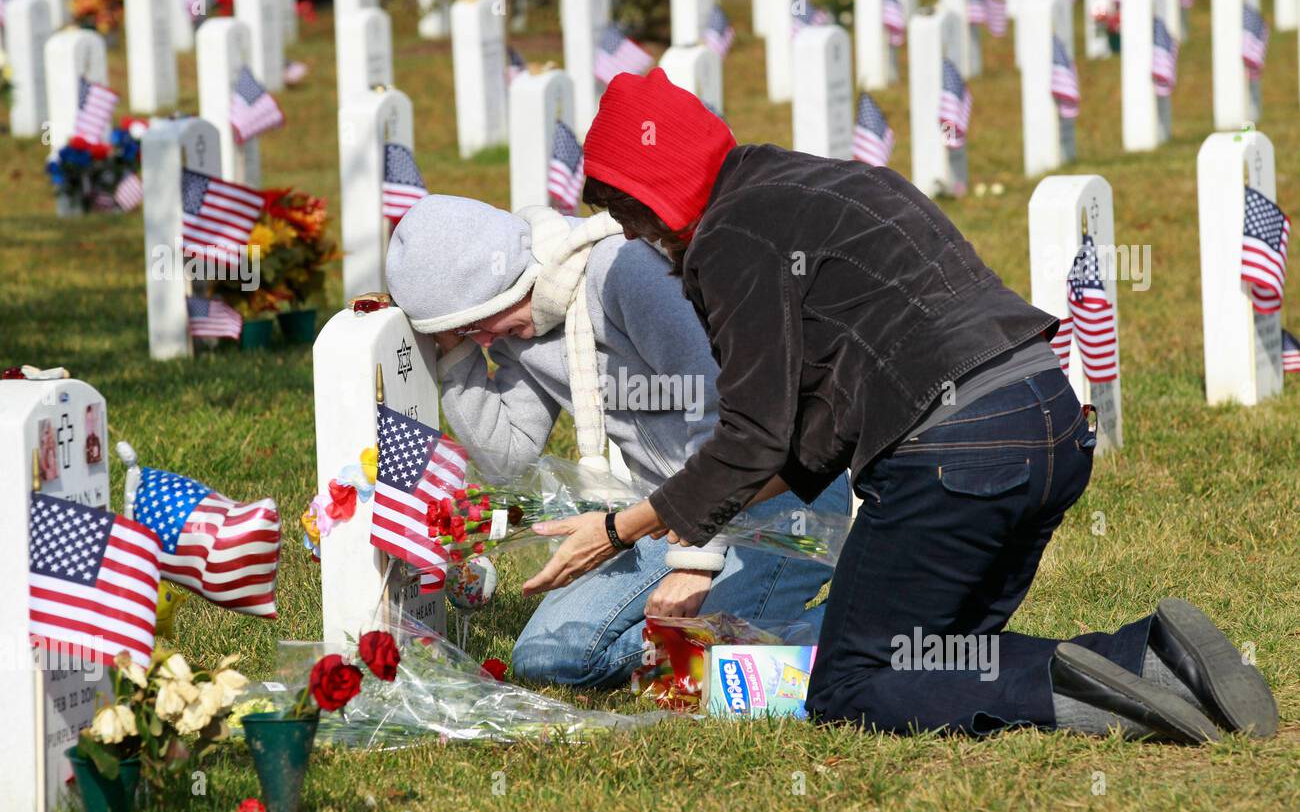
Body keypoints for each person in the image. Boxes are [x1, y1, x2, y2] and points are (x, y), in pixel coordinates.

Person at [520, 69, 1278, 742]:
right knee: (933, 656)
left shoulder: (729, 237)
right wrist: (687, 523)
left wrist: (619, 529)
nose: (640, 241)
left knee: (852, 684)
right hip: (1047, 420)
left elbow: (749, 437)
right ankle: (1158, 663)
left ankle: (1127, 674)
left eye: (633, 220)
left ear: (656, 197)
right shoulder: (826, 183)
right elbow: (803, 443)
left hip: (956, 454)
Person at [384, 194, 848, 688]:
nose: (483, 341)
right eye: (462, 331)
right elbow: (506, 458)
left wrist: (694, 564)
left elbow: (725, 416)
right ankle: (699, 644)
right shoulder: (521, 325)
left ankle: (865, 630)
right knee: (550, 658)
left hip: (774, 495)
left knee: (721, 657)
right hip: (658, 514)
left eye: (477, 324)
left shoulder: (619, 269)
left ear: (502, 284)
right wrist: (457, 358)